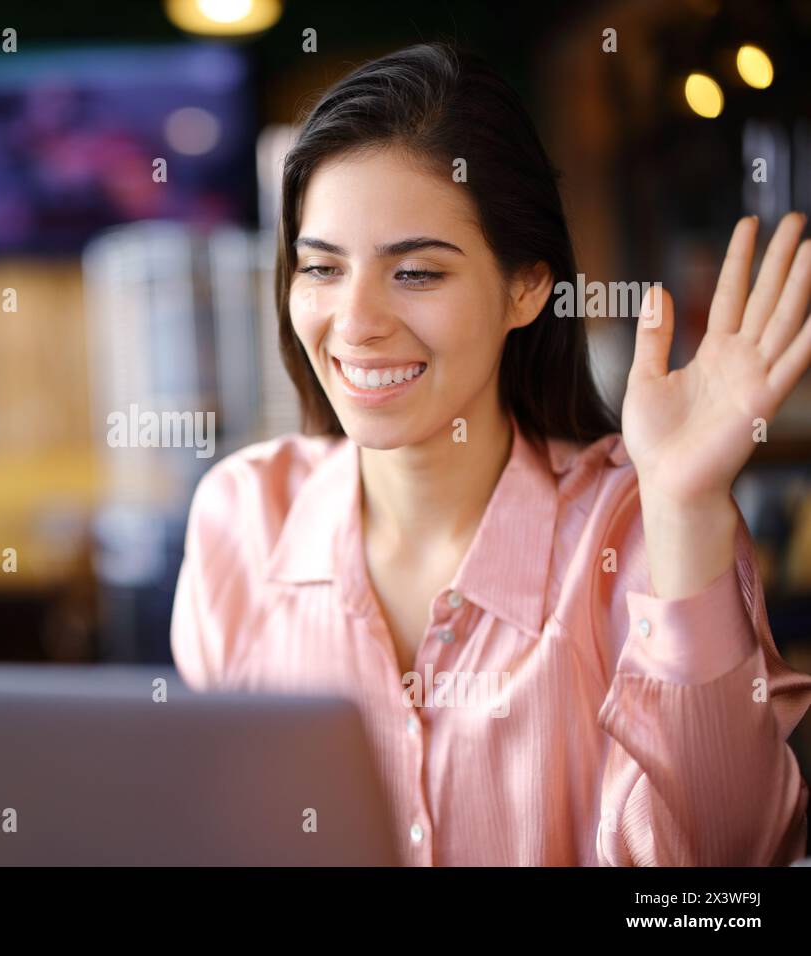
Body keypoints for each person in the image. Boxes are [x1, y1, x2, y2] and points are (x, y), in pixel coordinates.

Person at [170, 42, 811, 866]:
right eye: (321, 268)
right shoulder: (243, 518)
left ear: (526, 288)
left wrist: (684, 506)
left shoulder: (636, 532)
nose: (355, 320)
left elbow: (722, 884)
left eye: (416, 274)